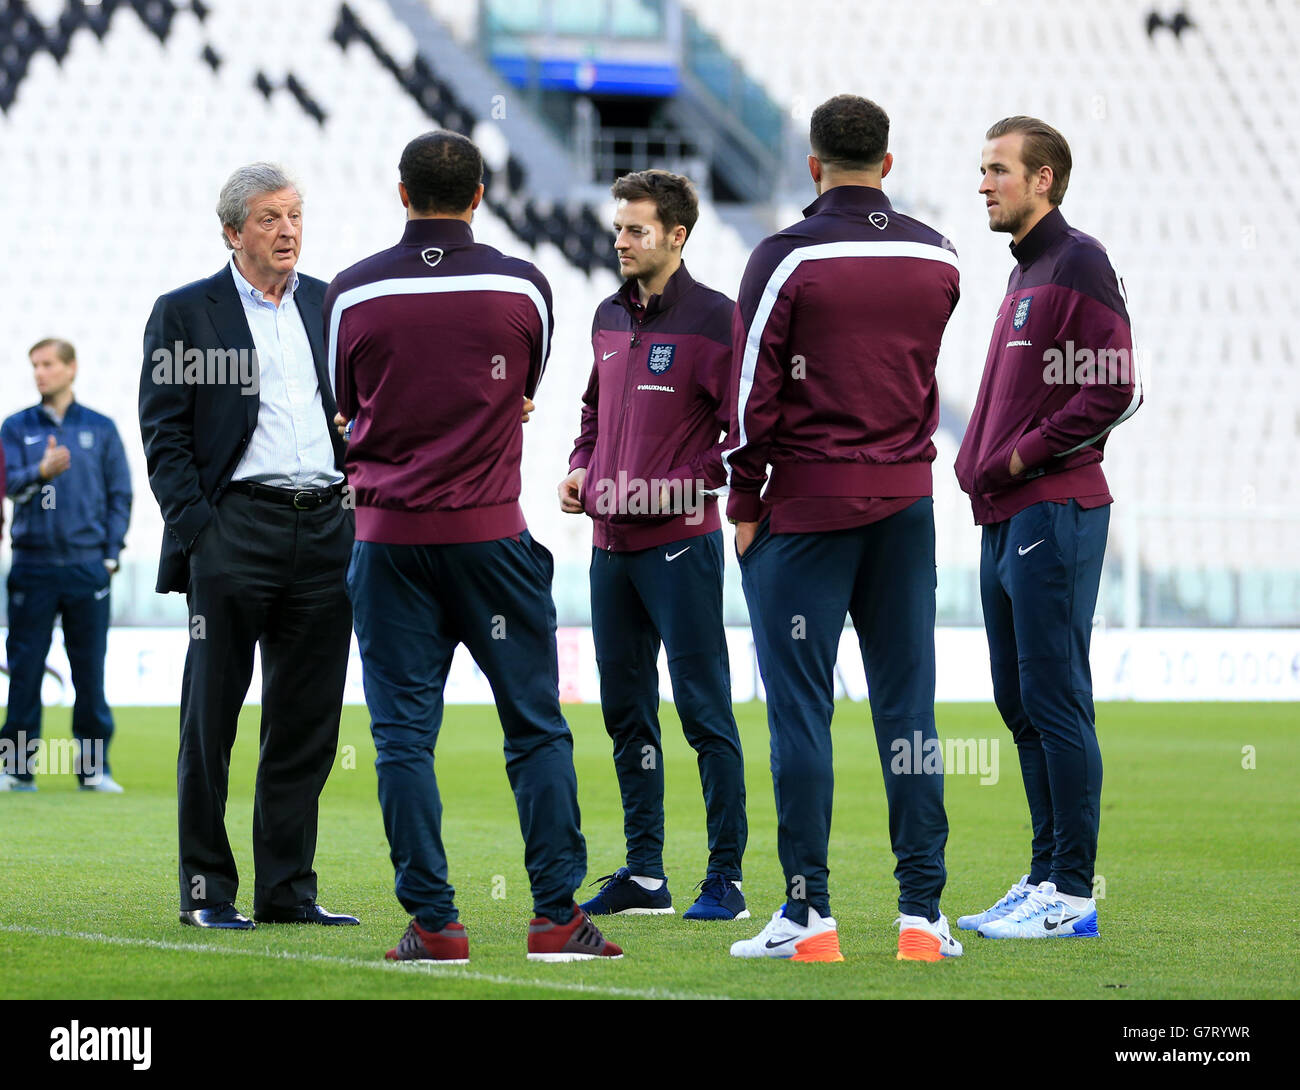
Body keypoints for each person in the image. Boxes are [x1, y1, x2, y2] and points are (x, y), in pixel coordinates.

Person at [330, 129, 621, 963]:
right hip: (489, 534)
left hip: (387, 542)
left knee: (400, 740)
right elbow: (522, 392)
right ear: (480, 196)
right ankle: (556, 919)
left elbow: (344, 411)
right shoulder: (523, 284)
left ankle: (435, 925)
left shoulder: (350, 292)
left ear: (401, 191)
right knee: (534, 728)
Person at [725, 94, 964, 963]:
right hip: (905, 508)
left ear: (813, 165)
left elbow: (751, 401)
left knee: (800, 716)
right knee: (909, 715)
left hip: (806, 511)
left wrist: (743, 501)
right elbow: (910, 370)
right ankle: (921, 919)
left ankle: (810, 918)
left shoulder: (785, 257)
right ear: (888, 166)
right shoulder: (939, 255)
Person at [138, 163, 358, 930]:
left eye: (295, 214)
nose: (288, 230)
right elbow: (163, 433)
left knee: (306, 725)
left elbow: (367, 409)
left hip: (328, 530)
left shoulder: (333, 305)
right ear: (232, 231)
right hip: (234, 528)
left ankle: (288, 891)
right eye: (269, 217)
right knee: (211, 718)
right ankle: (207, 892)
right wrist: (200, 528)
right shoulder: (185, 312)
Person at [954, 117, 1141, 939]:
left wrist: (1023, 458)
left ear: (1045, 180)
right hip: (1005, 514)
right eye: (983, 170)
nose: (984, 183)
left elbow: (1117, 387)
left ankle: (1072, 895)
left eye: (998, 170)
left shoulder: (1080, 261)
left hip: (1054, 507)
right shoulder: (1024, 273)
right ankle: (1042, 877)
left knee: (1056, 697)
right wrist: (979, 463)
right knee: (1020, 699)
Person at [557, 170, 748, 922]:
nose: (620, 241)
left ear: (676, 235)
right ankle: (644, 874)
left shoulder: (718, 321)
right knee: (627, 715)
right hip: (609, 552)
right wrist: (581, 468)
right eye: (619, 228)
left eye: (635, 229)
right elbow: (592, 414)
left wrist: (670, 489)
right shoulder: (607, 315)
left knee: (705, 714)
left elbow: (743, 439)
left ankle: (725, 878)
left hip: (680, 551)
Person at [1, 339, 132, 793]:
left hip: (86, 567)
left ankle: (94, 769)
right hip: (32, 565)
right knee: (25, 669)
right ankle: (16, 769)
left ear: (71, 368)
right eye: (34, 365)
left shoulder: (101, 428)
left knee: (89, 671)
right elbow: (7, 485)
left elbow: (120, 495)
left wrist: (111, 554)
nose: (40, 373)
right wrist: (40, 471)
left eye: (48, 364)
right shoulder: (16, 427)